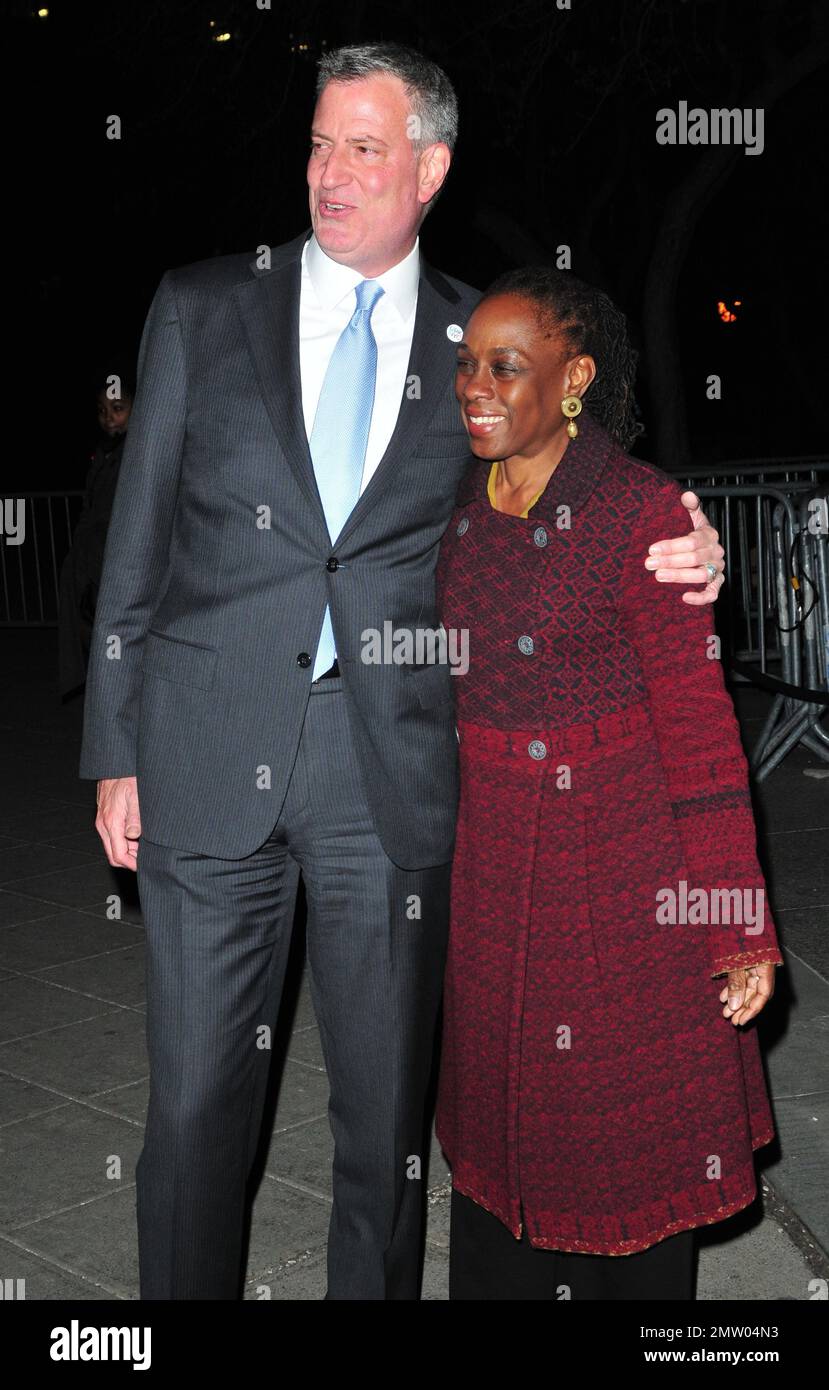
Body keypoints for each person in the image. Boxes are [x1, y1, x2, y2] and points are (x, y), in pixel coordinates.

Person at [80, 43, 725, 1301]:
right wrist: (114, 746)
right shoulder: (203, 306)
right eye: (319, 144)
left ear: (428, 168)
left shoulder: (479, 343)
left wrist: (676, 534)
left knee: (383, 1139)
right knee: (195, 1117)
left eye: (363, 148)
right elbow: (135, 541)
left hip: (394, 780)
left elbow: (569, 494)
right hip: (207, 758)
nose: (329, 172)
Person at [433, 266, 783, 1301]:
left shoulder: (640, 514)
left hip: (623, 886)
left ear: (573, 376)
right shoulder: (460, 503)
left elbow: (699, 729)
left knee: (629, 1167)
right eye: (464, 365)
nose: (474, 386)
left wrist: (737, 921)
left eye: (505, 364)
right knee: (503, 1163)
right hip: (492, 883)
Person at [58, 373, 134, 698]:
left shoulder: (138, 455)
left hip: (121, 574)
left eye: (117, 408)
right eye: (102, 410)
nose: (109, 418)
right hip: (93, 572)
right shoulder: (105, 454)